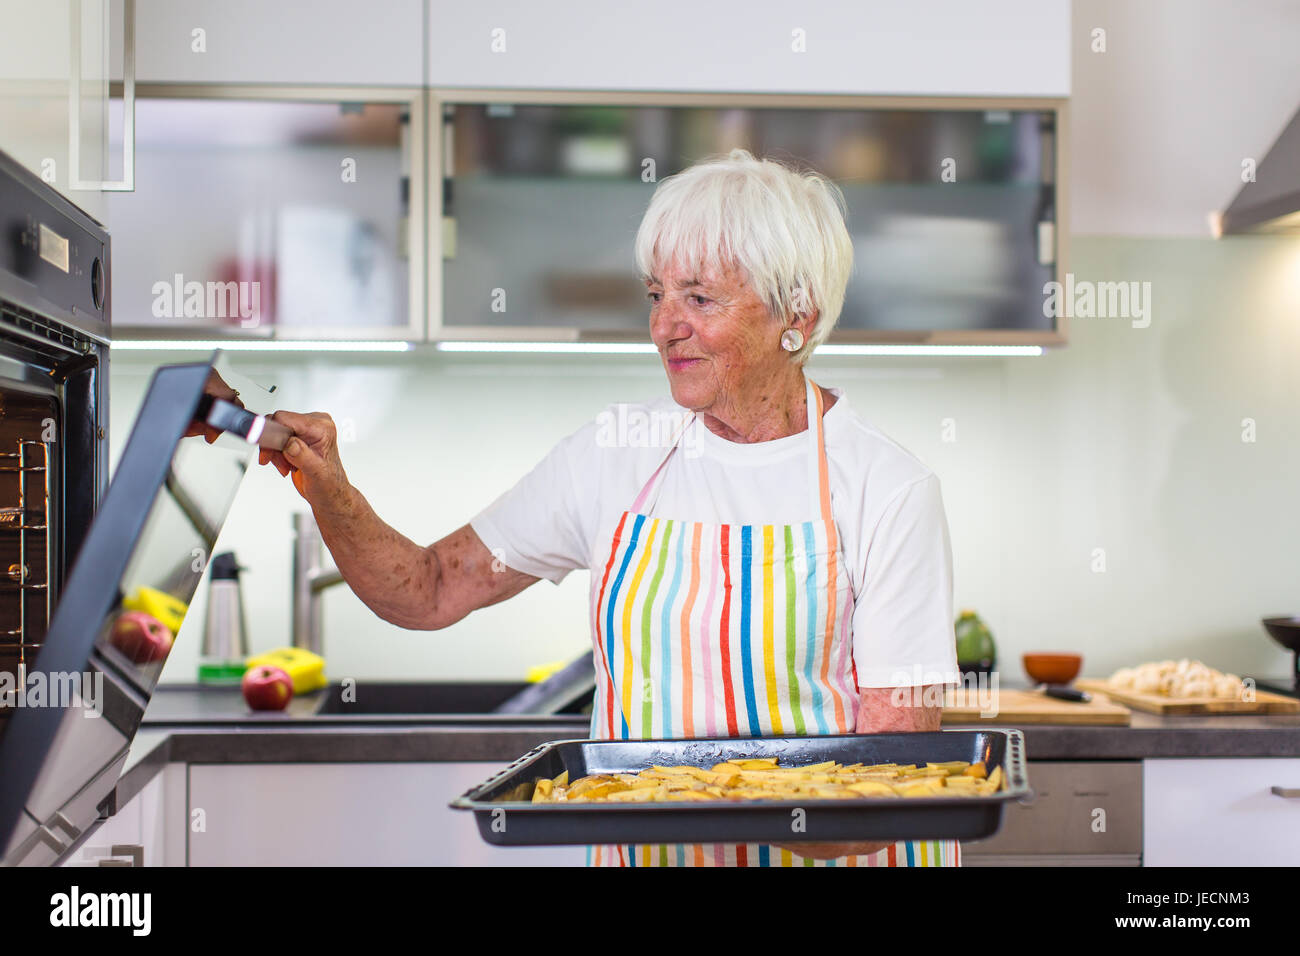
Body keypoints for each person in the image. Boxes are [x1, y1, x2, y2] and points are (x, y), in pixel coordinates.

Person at [260, 148, 961, 866]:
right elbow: (428, 589)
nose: (664, 326)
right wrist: (329, 488)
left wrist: (702, 805)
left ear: (797, 315)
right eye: (656, 294)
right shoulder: (615, 454)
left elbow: (891, 781)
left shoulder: (886, 488)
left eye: (700, 297)